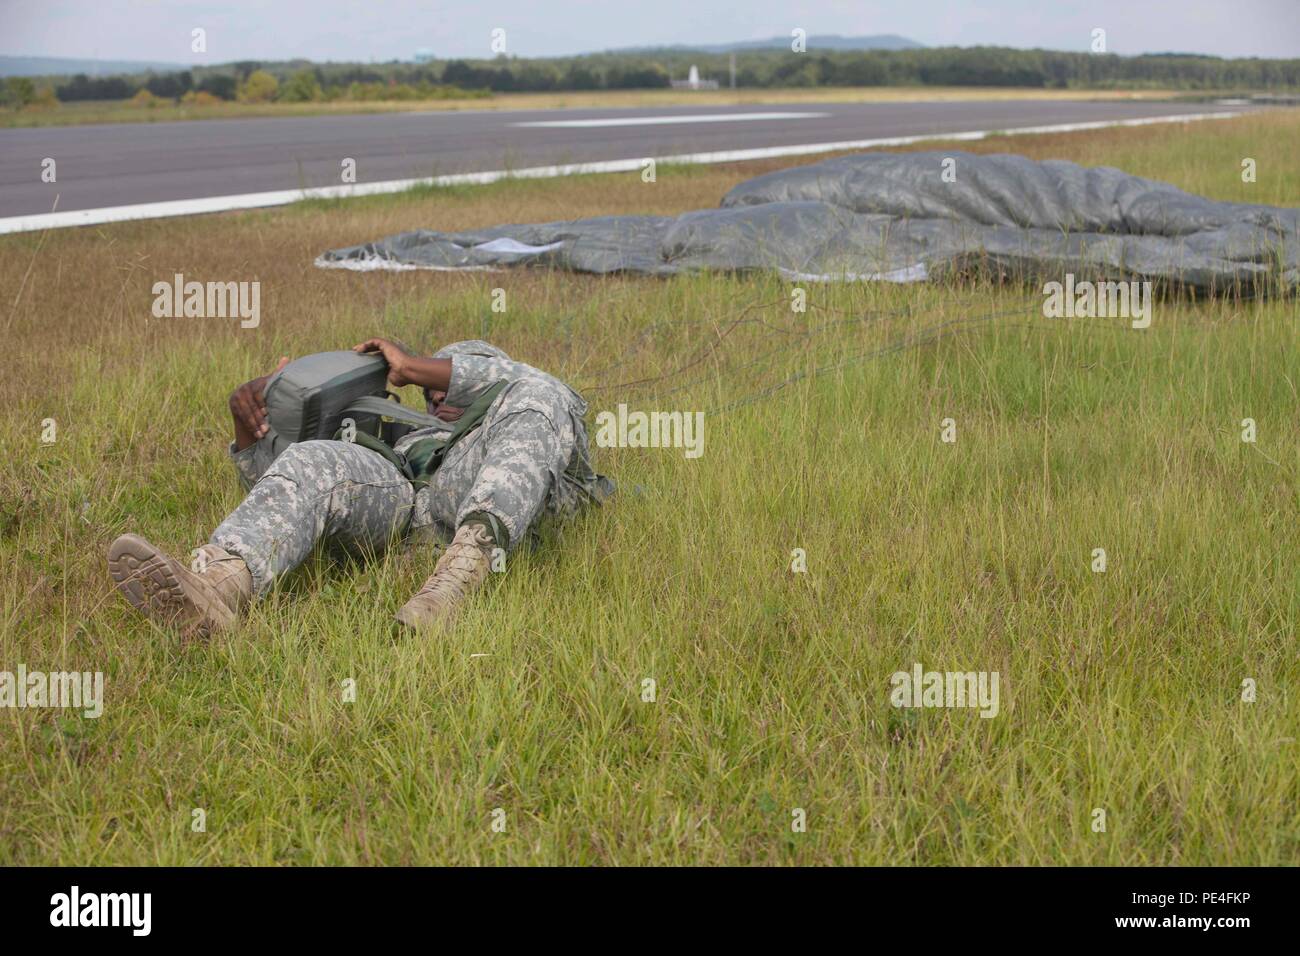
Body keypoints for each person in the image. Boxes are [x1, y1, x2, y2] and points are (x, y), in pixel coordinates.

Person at [107, 339, 614, 638]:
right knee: (310, 457)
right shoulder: (404, 427)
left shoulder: (530, 415)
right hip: (404, 501)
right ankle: (218, 586)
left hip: (478, 503)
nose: (437, 398)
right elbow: (279, 485)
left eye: (451, 386)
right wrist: (258, 413)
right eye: (431, 394)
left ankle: (460, 578)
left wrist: (413, 366)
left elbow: (546, 392)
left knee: (540, 395)